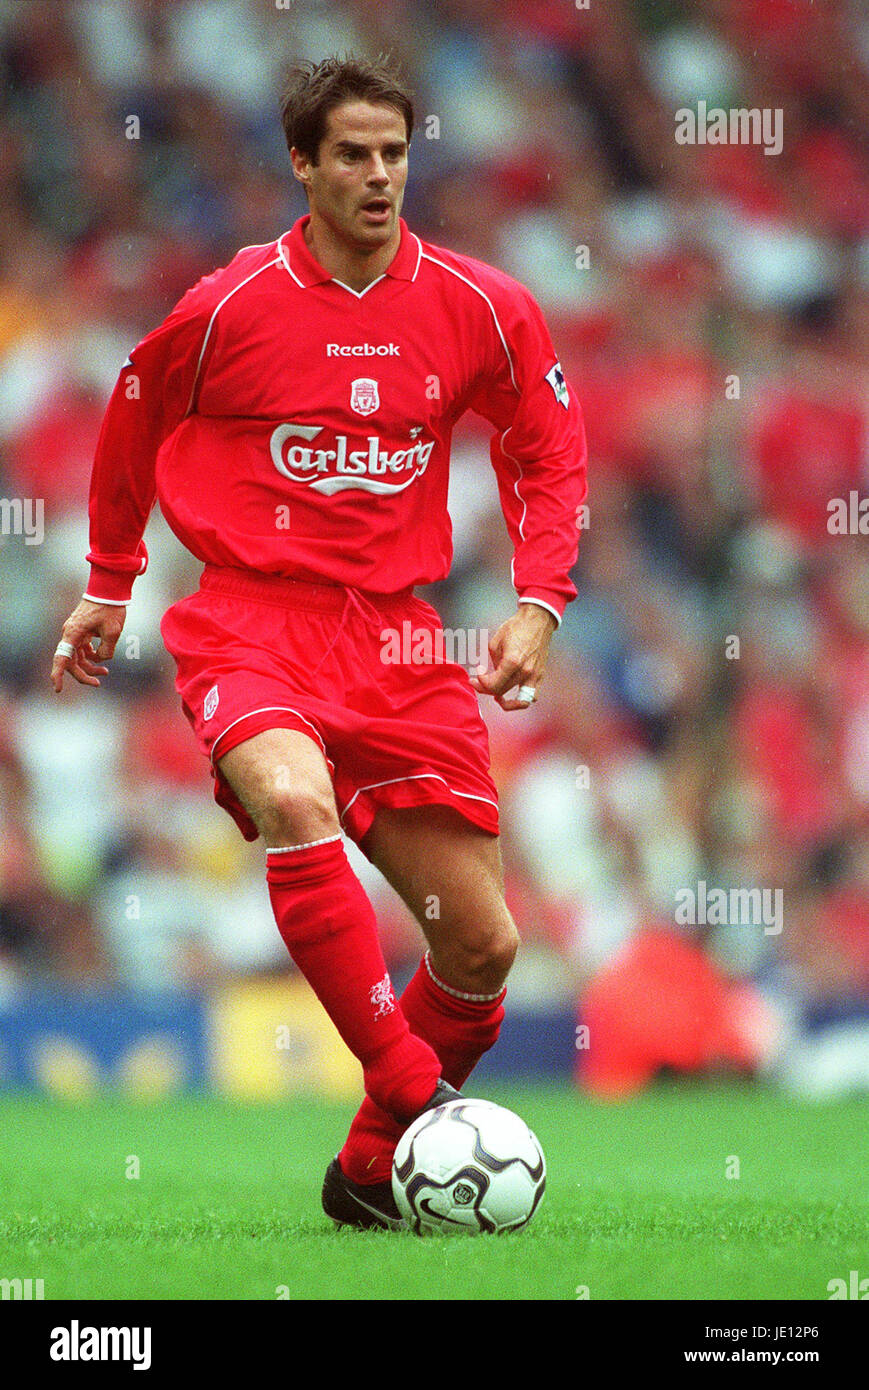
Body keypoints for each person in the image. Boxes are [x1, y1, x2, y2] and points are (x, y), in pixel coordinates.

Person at [50, 54, 587, 1229]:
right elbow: (131, 422)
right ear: (302, 163)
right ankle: (407, 1088)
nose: (378, 174)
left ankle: (365, 1167)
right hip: (252, 619)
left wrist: (540, 601)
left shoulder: (480, 304)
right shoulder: (230, 305)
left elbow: (546, 445)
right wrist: (108, 581)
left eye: (394, 152)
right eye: (350, 153)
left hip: (401, 644)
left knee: (485, 952)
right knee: (292, 805)